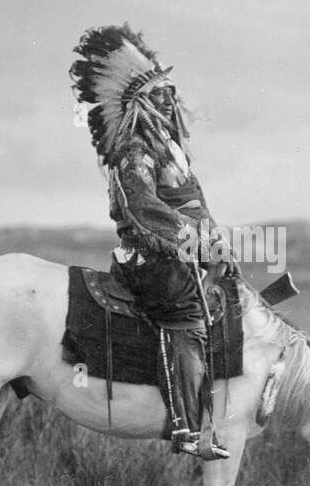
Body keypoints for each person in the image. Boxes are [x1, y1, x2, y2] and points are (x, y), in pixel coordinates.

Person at [70, 24, 231, 460]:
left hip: (186, 250)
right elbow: (143, 207)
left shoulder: (172, 148)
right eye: (157, 94)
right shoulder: (134, 149)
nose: (167, 100)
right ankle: (188, 427)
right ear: (139, 102)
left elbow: (195, 203)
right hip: (152, 258)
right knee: (186, 316)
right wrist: (193, 240)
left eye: (169, 92)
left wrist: (216, 243)